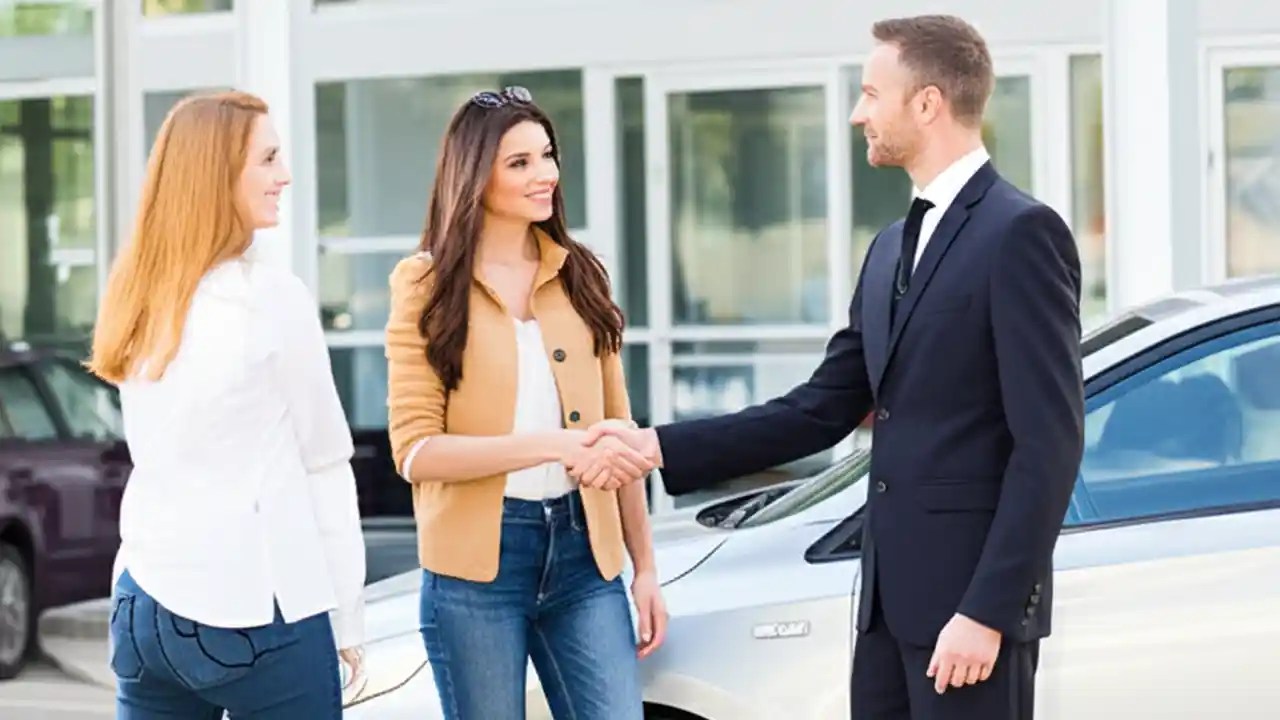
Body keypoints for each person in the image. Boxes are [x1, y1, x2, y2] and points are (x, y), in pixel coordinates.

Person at [584, 15, 1084, 720]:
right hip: (883, 614)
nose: (858, 114)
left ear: (928, 103)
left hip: (969, 619)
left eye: (871, 94)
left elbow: (1050, 443)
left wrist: (990, 611)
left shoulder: (1021, 234)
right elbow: (818, 408)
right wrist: (656, 445)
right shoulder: (887, 249)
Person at [383, 85, 667, 720]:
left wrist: (644, 568)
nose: (546, 175)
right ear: (473, 175)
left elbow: (619, 431)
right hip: (476, 568)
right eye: (520, 163)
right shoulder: (423, 285)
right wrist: (555, 446)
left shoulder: (580, 273)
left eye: (547, 155)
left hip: (584, 558)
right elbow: (416, 452)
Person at [87, 90, 366, 719]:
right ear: (216, 176)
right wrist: (348, 617)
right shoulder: (272, 299)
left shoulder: (136, 294)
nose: (285, 176)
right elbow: (325, 464)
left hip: (141, 603)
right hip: (252, 606)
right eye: (268, 159)